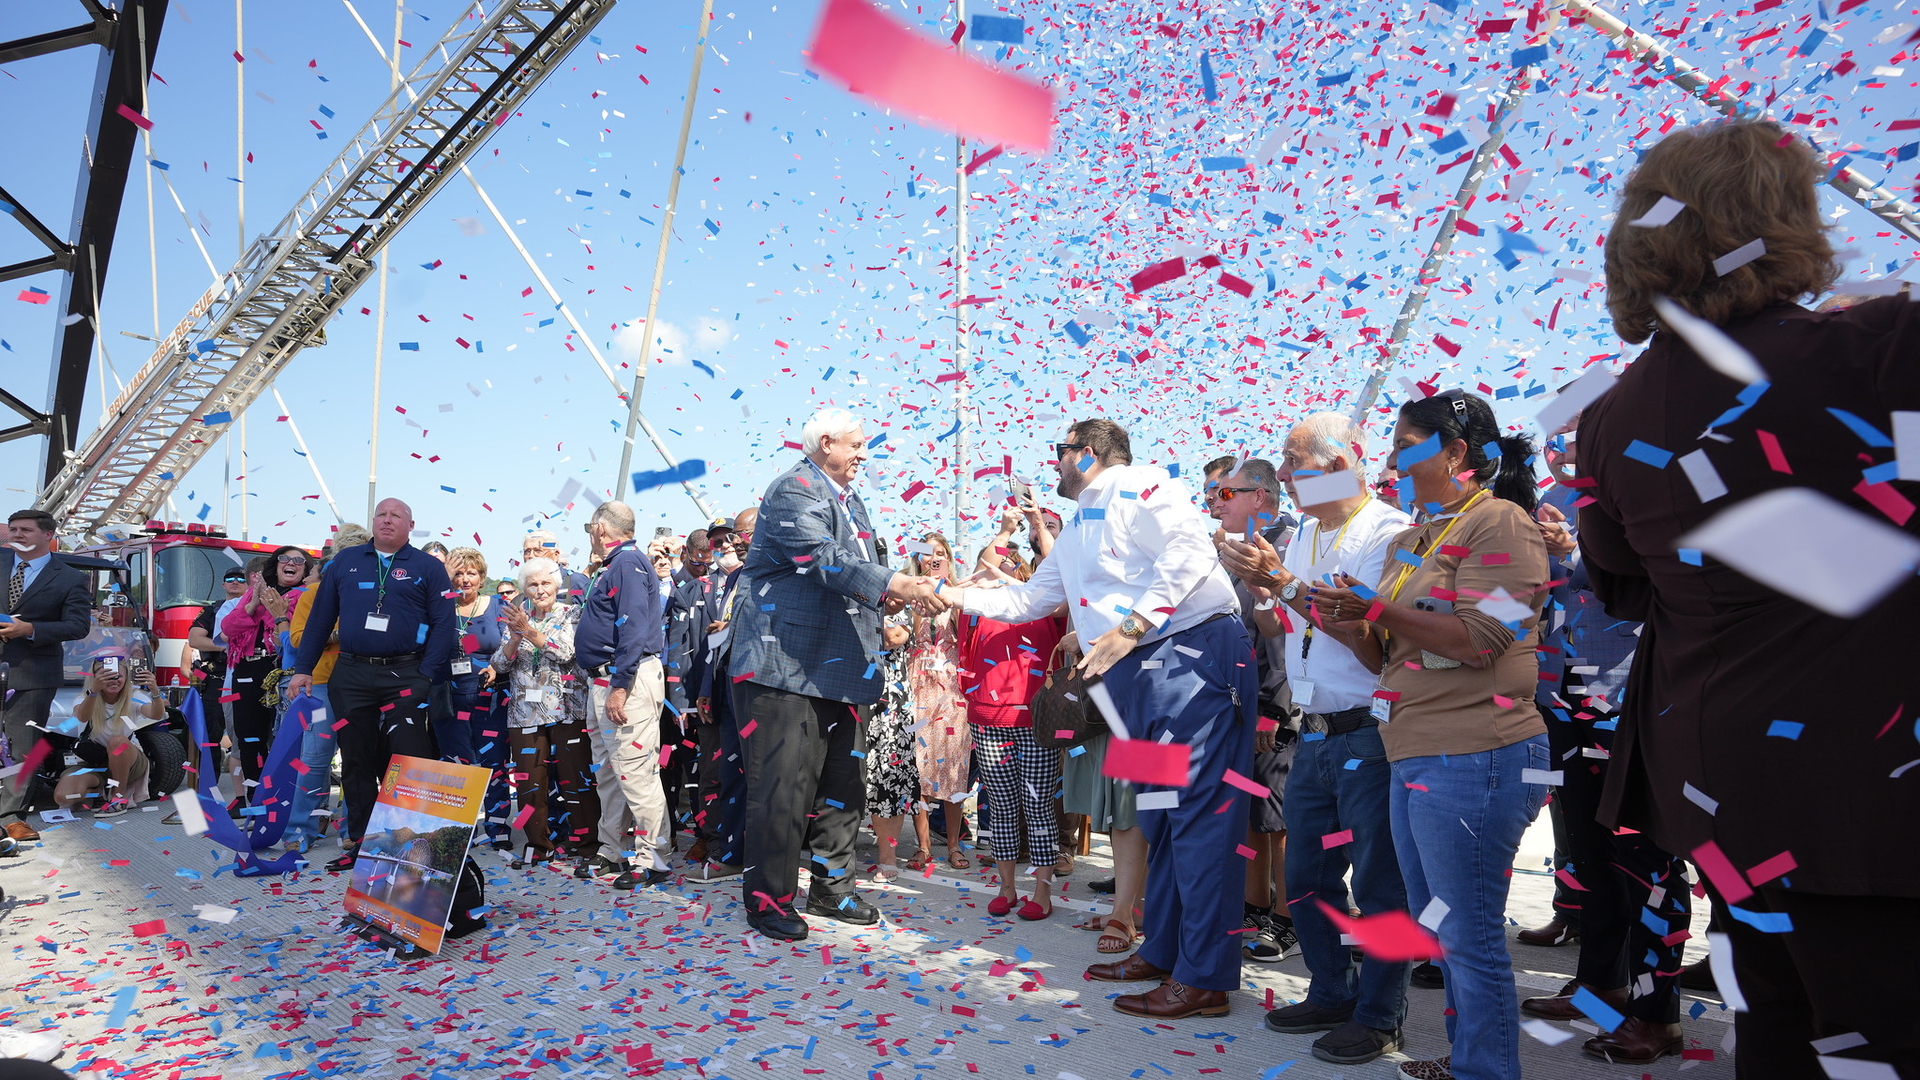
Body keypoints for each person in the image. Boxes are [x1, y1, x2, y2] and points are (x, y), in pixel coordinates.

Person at [1579, 120, 1920, 1079]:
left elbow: (1619, 578)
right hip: (1879, 802)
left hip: (1721, 797)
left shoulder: (1612, 416)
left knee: (1779, 1034)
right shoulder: (1883, 350)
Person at [944, 418, 1252, 1021]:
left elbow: (1191, 551)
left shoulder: (1143, 484)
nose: (1054, 465)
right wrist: (952, 592)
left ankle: (1205, 977)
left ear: (1085, 455)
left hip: (1185, 659)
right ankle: (1164, 952)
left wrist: (1132, 627)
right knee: (1160, 820)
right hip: (1133, 681)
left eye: (1060, 454)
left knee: (1197, 821)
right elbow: (1031, 600)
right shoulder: (1079, 523)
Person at [1308, 390, 1550, 1080]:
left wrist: (1376, 607)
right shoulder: (1410, 541)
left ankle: (1486, 1070)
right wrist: (1352, 624)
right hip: (1414, 749)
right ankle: (1471, 1056)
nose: (1392, 459)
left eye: (1407, 444)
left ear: (1455, 453)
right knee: (1443, 928)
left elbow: (1484, 639)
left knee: (1468, 934)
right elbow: (1387, 658)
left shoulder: (1502, 524)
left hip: (1477, 753)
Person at [1220, 414, 1415, 1066]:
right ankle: (1332, 989)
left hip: (1369, 731)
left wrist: (1284, 586)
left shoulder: (1388, 532)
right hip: (1313, 733)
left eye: (1293, 458)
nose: (1280, 472)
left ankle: (1381, 1014)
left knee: (1382, 885)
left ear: (1342, 461)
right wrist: (1263, 587)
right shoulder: (1302, 533)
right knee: (1306, 876)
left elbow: (1370, 647)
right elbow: (1290, 627)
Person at [727, 407, 942, 941]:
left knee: (843, 789)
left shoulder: (853, 502)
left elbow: (858, 576)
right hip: (786, 670)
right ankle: (768, 900)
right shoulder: (794, 489)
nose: (864, 454)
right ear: (826, 442)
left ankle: (832, 887)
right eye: (856, 445)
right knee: (782, 790)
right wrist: (899, 585)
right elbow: (820, 558)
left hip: (845, 671)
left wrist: (888, 610)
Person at [1516, 411, 1690, 1063]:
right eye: (1552, 436)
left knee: (1645, 860)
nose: (1560, 448)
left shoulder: (1648, 491)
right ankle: (1601, 987)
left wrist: (1573, 557)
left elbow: (1657, 586)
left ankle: (1657, 1014)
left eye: (1575, 435)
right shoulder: (1548, 501)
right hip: (1561, 696)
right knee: (1588, 855)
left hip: (1628, 701)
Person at [288, 498, 457, 875]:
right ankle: (362, 845)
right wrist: (302, 670)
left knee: (410, 762)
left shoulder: (428, 567)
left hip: (405, 674)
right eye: (381, 514)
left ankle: (419, 847)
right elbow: (318, 621)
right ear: (372, 522)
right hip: (351, 676)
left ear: (411, 525)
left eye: (396, 515)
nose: (387, 520)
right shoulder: (343, 565)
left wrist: (427, 675)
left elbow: (444, 625)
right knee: (356, 762)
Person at [1206, 456, 1301, 967]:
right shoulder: (1232, 553)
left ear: (1257, 498)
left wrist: (1275, 710)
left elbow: (1288, 638)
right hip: (1239, 705)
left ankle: (1288, 920)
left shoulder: (1285, 546)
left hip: (1274, 707)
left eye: (1224, 494)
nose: (1215, 503)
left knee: (1277, 820)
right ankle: (1257, 906)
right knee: (1251, 816)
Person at [957, 524, 1066, 919]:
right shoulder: (974, 610)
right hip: (987, 720)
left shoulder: (1045, 605)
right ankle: (1006, 887)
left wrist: (1037, 524)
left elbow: (1057, 566)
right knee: (1001, 807)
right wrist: (1002, 535)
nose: (999, 569)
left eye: (1010, 564)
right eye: (993, 564)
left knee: (1038, 808)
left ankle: (1042, 891)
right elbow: (983, 565)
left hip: (1036, 719)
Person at [574, 500, 673, 890]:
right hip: (604, 680)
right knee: (609, 774)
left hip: (624, 680)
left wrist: (619, 685)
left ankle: (654, 858)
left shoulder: (627, 563)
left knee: (636, 773)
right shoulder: (613, 565)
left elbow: (632, 628)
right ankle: (610, 848)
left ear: (600, 529)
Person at [492, 557, 592, 868]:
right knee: (529, 783)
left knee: (575, 780)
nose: (539, 589)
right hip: (525, 714)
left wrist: (530, 633)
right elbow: (499, 664)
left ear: (557, 585)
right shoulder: (515, 620)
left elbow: (565, 653)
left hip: (567, 710)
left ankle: (586, 844)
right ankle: (539, 844)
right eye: (532, 585)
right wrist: (516, 637)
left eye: (545, 582)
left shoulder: (572, 614)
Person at [0, 509, 93, 844]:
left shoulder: (69, 578)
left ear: (47, 534)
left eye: (25, 530)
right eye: (13, 529)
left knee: (23, 748)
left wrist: (31, 629)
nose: (17, 535)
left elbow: (78, 625)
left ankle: (11, 818)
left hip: (33, 672)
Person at [284, 524, 370, 853]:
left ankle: (353, 831)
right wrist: (339, 634)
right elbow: (296, 640)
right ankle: (299, 831)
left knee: (357, 760)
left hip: (360, 686)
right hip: (320, 684)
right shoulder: (312, 594)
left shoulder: (369, 592)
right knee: (315, 760)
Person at [691, 506, 757, 883]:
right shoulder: (732, 580)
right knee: (730, 775)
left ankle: (762, 857)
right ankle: (730, 853)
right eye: (733, 537)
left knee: (760, 777)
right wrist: (705, 690)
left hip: (760, 693)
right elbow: (715, 641)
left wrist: (733, 626)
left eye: (742, 533)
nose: (735, 542)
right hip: (725, 689)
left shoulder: (775, 573)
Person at [905, 532, 972, 872]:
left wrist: (945, 591)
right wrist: (919, 588)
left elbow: (965, 631)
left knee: (953, 772)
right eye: (927, 554)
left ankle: (955, 844)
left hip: (951, 693)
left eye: (940, 553)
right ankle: (923, 845)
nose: (933, 558)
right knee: (920, 770)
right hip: (917, 691)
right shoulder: (907, 596)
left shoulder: (958, 595)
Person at [446, 546, 510, 851]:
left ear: (481, 576)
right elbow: (421, 641)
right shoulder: (440, 607)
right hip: (449, 697)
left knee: (493, 760)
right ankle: (460, 829)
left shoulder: (496, 605)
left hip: (490, 696)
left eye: (471, 572)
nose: (465, 579)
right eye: (458, 572)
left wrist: (496, 666)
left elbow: (509, 642)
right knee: (459, 764)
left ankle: (497, 825)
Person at [221, 553, 300, 793]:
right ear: (274, 568)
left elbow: (284, 629)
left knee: (281, 740)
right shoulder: (252, 594)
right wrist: (253, 602)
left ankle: (280, 799)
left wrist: (271, 606)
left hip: (278, 669)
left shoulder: (302, 595)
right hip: (245, 668)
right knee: (248, 740)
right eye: (284, 559)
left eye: (298, 561)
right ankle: (255, 801)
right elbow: (227, 629)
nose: (290, 564)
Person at [52, 656, 162, 814]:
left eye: (118, 676)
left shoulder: (134, 697)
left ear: (126, 678)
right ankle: (99, 792)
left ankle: (119, 796)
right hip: (95, 763)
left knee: (117, 742)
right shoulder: (84, 698)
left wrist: (155, 692)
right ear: (96, 678)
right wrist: (94, 691)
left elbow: (156, 715)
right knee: (63, 797)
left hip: (128, 762)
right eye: (107, 676)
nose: (113, 681)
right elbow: (82, 717)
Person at [663, 528, 716, 858]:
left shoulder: (714, 585)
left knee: (698, 771)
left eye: (707, 564)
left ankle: (703, 835)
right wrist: (675, 700)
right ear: (686, 553)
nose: (702, 570)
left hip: (698, 697)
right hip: (666, 696)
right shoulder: (668, 585)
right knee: (665, 766)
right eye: (697, 564)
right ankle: (665, 832)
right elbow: (673, 647)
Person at [864, 605, 922, 881]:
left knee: (889, 778)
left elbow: (894, 636)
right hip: (851, 695)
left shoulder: (900, 605)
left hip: (891, 702)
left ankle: (887, 858)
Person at [185, 566, 248, 787]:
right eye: (229, 578)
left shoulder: (257, 608)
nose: (235, 581)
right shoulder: (212, 610)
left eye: (241, 578)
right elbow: (195, 639)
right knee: (212, 734)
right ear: (223, 584)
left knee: (248, 733)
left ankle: (249, 787)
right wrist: (226, 646)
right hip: (219, 679)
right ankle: (208, 785)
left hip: (248, 677)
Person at [522, 530, 591, 606]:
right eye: (527, 551)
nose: (531, 556)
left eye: (538, 551)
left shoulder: (576, 583)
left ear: (555, 555)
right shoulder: (526, 591)